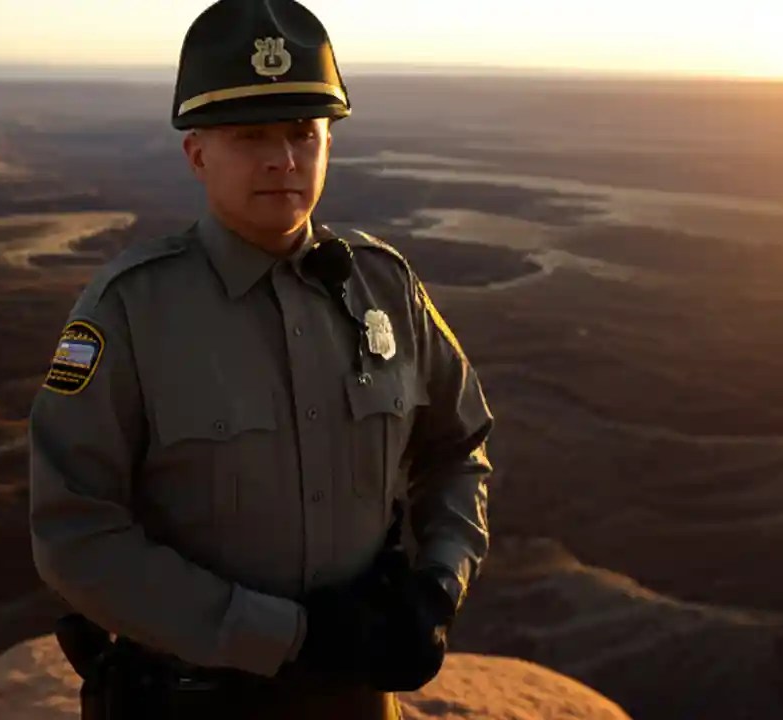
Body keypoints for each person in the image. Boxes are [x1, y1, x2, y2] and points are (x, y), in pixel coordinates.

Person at [29, 0, 494, 717]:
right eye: (250, 135)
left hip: (356, 700)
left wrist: (438, 584)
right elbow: (75, 534)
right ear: (197, 154)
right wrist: (285, 637)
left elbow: (457, 449)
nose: (283, 159)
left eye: (304, 133)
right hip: (193, 701)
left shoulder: (384, 288)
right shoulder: (128, 311)